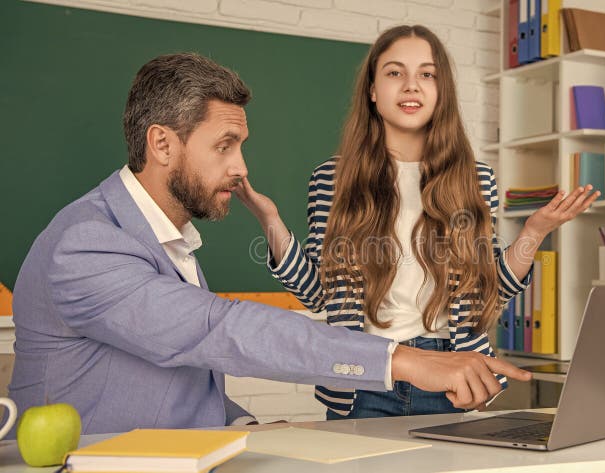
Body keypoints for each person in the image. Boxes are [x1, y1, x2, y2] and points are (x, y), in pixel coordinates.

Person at [7, 52, 533, 436]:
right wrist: (406, 360)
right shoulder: (85, 246)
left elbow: (177, 386)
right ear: (162, 143)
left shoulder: (166, 241)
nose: (241, 168)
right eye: (224, 146)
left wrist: (252, 424)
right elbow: (219, 329)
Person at [235, 25, 598, 420]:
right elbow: (319, 295)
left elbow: (490, 290)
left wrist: (534, 233)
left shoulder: (476, 180)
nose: (412, 86)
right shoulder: (332, 179)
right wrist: (269, 220)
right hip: (365, 376)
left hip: (450, 373)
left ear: (441, 91)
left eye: (427, 74)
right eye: (395, 73)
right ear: (372, 90)